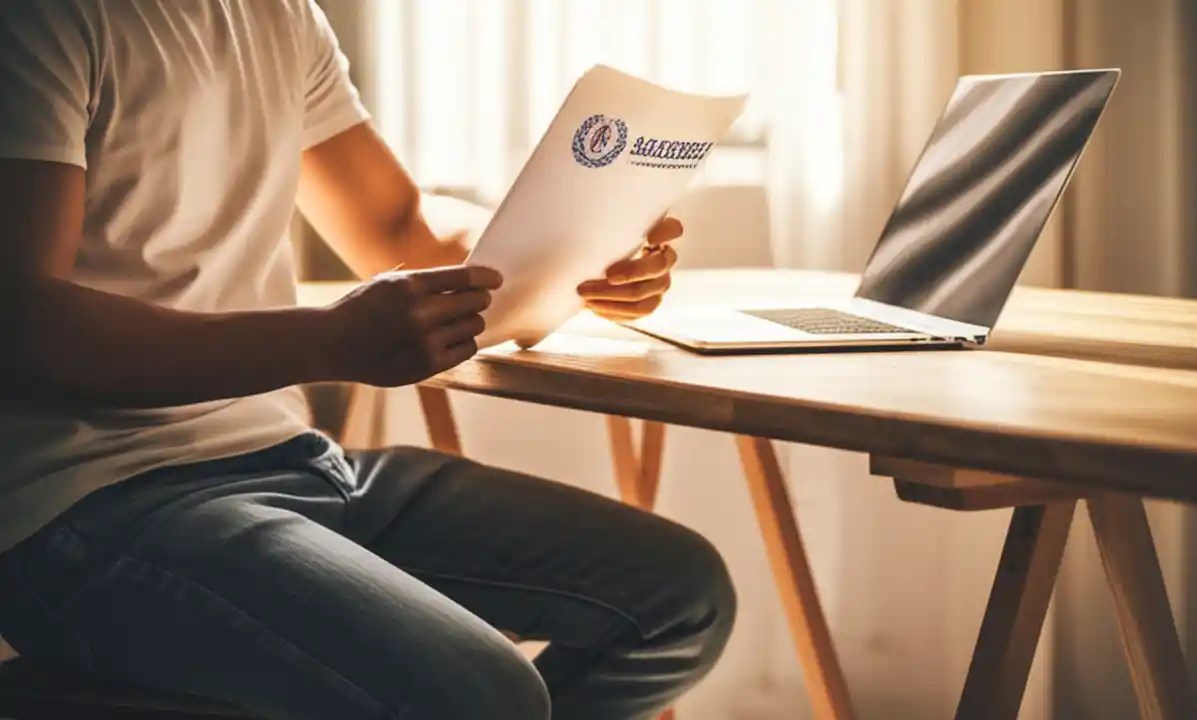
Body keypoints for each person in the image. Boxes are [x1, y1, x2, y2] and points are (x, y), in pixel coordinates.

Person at [0, 2, 735, 719]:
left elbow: (398, 226)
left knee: (679, 600)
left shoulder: (281, 15)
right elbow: (28, 325)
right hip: (90, 506)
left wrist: (584, 253)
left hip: (292, 463)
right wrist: (327, 340)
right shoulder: (43, 20)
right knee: (487, 696)